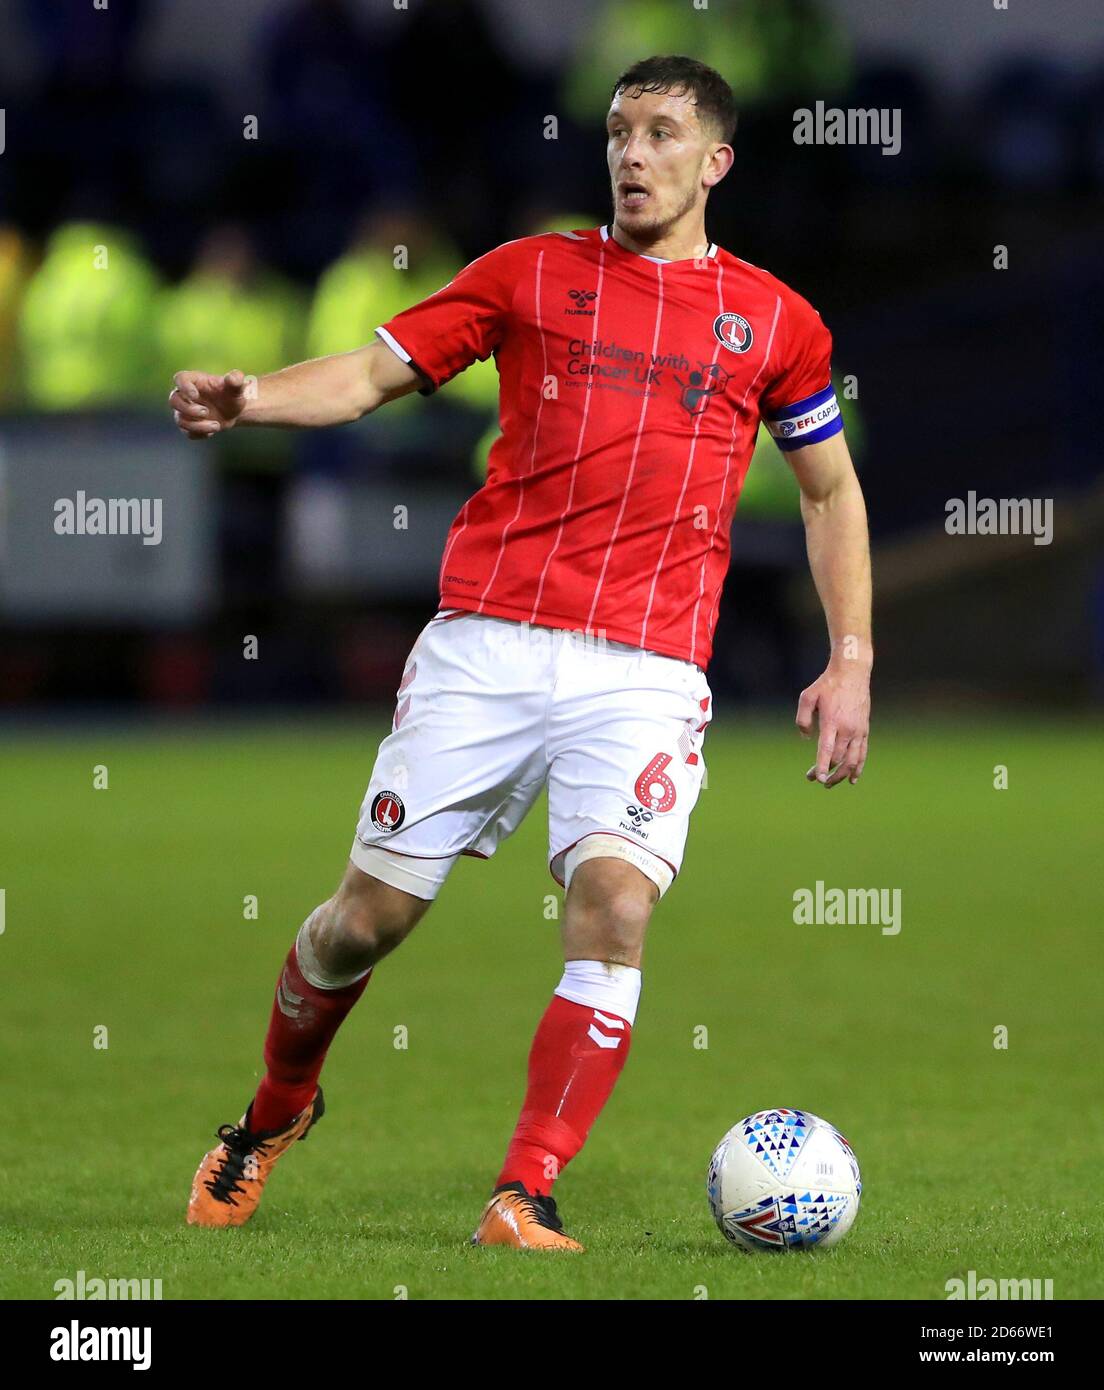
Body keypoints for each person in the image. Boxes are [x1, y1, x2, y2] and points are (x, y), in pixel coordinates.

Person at [170, 55, 872, 1252]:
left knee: (614, 905)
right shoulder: (533, 274)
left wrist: (849, 654)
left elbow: (829, 490)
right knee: (363, 923)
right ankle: (276, 1108)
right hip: (488, 642)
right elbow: (369, 376)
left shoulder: (777, 320)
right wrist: (254, 401)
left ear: (716, 162)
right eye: (618, 132)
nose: (633, 154)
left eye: (661, 134)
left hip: (648, 670)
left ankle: (524, 1189)